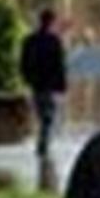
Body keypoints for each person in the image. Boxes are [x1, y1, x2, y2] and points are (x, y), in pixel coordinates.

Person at [20, 9, 67, 157]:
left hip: (36, 84)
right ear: (51, 22)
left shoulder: (29, 41)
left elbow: (23, 63)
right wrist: (62, 85)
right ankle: (43, 146)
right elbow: (59, 65)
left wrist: (27, 78)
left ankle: (43, 144)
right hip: (50, 85)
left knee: (43, 116)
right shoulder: (54, 41)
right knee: (49, 117)